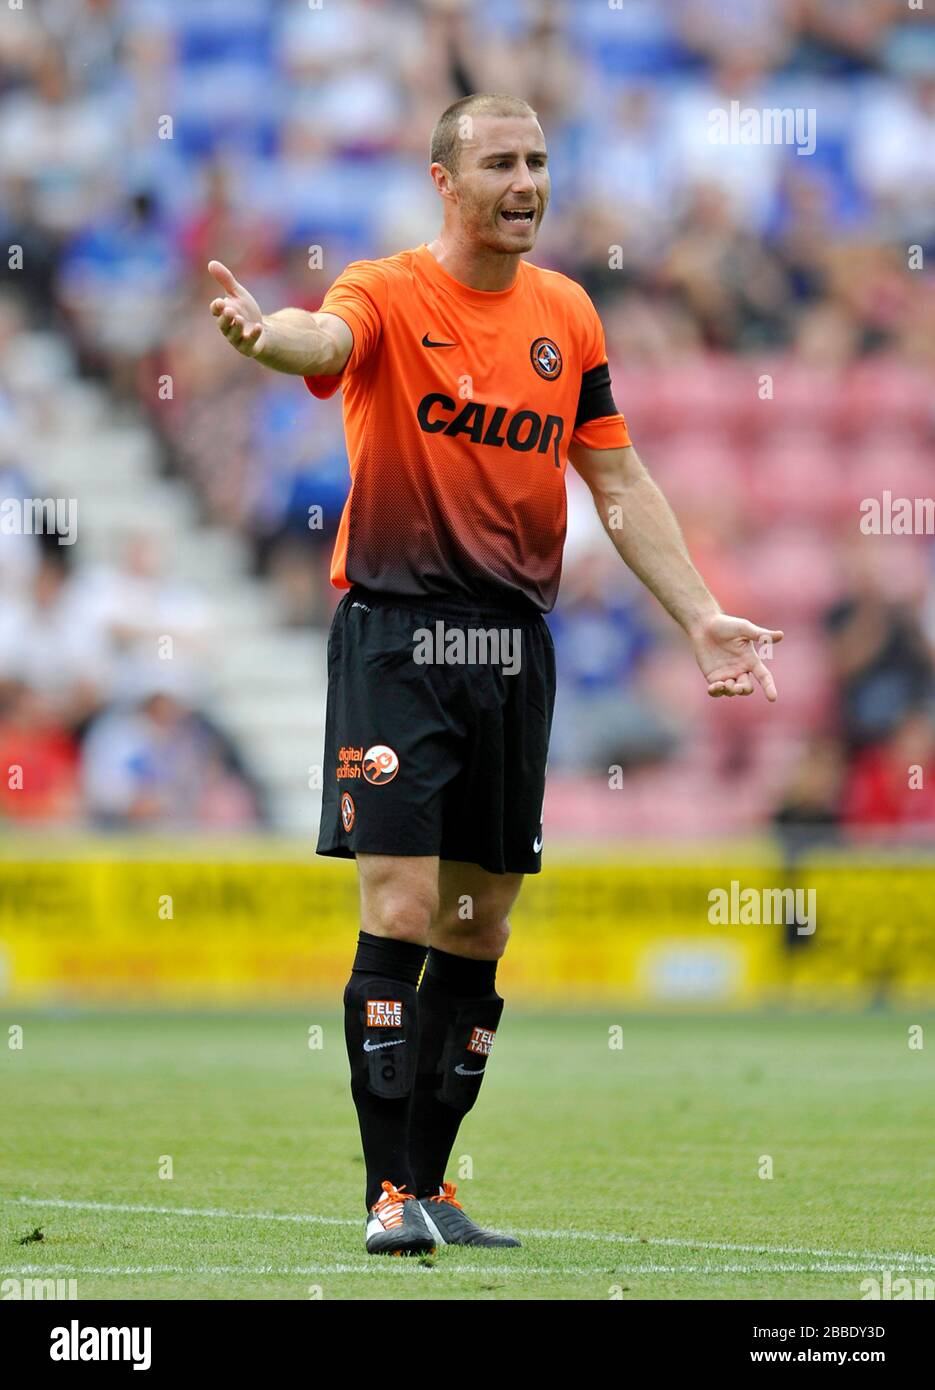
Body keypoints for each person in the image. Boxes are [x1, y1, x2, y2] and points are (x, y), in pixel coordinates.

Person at [208, 93, 783, 1256]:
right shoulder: (382, 290)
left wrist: (702, 615)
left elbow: (616, 485)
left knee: (477, 928)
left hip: (511, 646)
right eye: (500, 163)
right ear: (444, 181)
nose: (526, 182)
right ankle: (383, 1197)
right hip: (397, 637)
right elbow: (321, 341)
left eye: (538, 161)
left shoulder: (566, 314)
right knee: (404, 907)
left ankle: (429, 1183)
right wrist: (266, 338)